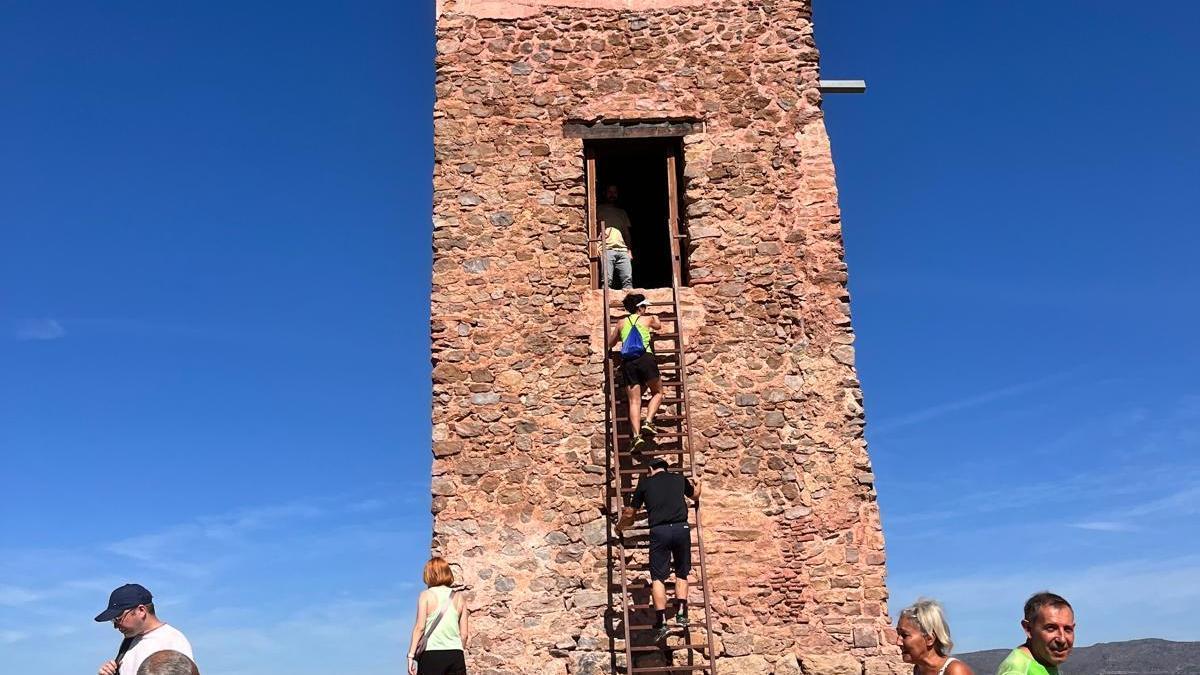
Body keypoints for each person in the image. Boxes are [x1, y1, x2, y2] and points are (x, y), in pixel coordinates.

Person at [616, 457, 701, 642]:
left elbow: (631, 513)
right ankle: (681, 613)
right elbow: (695, 495)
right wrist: (699, 485)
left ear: (651, 470)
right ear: (665, 468)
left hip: (659, 531)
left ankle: (662, 622)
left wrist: (620, 526)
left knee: (657, 577)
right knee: (681, 573)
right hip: (681, 528)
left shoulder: (646, 484)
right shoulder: (679, 479)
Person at [94, 583, 193, 675]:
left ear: (141, 610)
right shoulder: (129, 641)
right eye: (113, 621)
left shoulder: (173, 641)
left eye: (118, 619)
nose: (115, 626)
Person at [608, 293, 664, 451]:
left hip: (628, 362)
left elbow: (611, 343)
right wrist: (656, 317)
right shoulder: (648, 319)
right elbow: (658, 326)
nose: (646, 308)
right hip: (646, 358)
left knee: (634, 401)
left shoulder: (621, 322)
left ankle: (636, 436)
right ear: (640, 307)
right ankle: (648, 421)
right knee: (658, 392)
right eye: (644, 306)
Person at [406, 557, 469, 675]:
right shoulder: (459, 597)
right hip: (455, 654)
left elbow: (420, 627)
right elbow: (464, 634)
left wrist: (411, 655)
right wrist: (457, 649)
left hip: (431, 654)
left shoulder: (425, 595)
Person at [996, 592, 1075, 675]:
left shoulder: (1045, 661)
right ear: (1028, 629)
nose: (1062, 639)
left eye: (1067, 629)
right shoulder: (1017, 671)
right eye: (1051, 628)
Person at [895, 599, 973, 675]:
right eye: (898, 634)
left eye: (905, 635)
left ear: (929, 638)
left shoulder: (955, 671)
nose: (898, 642)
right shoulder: (918, 670)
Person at [598, 184, 634, 290]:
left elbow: (626, 233)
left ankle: (630, 304)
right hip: (607, 248)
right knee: (606, 281)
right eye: (610, 192)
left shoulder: (622, 212)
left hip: (622, 250)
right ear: (604, 193)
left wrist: (629, 250)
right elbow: (593, 226)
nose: (612, 195)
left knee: (628, 281)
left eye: (614, 192)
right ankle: (604, 305)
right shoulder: (598, 209)